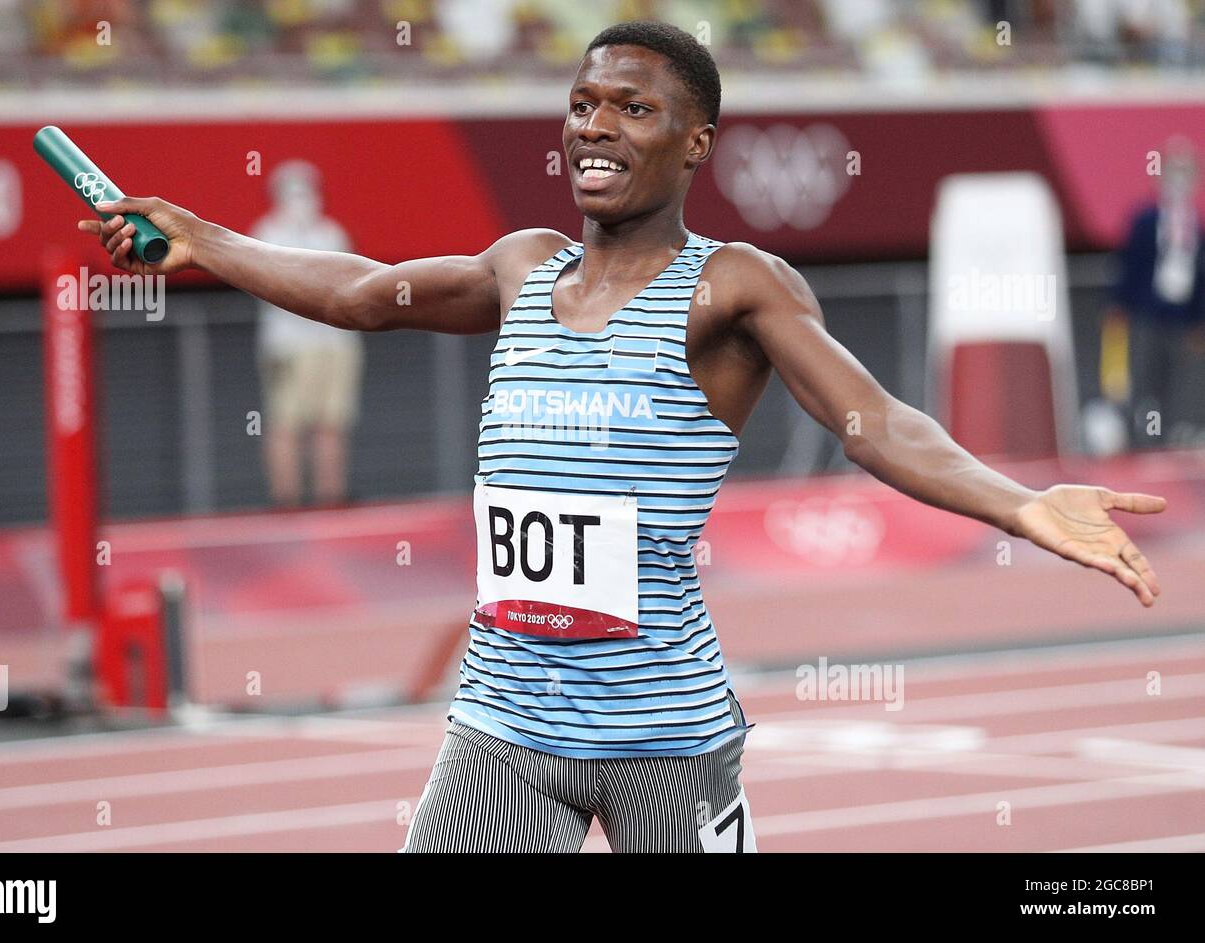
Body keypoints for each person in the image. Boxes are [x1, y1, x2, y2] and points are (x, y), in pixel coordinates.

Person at [77, 21, 1166, 853]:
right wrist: (203, 238)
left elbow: (871, 420)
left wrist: (1016, 502)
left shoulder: (731, 287)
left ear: (695, 144)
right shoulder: (522, 267)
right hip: (501, 721)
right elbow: (365, 291)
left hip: (665, 739)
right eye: (582, 103)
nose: (593, 125)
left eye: (631, 110)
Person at [252, 160, 363, 506]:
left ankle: (330, 498)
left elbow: (351, 286)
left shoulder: (331, 234)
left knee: (332, 422)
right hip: (288, 345)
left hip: (334, 342)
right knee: (286, 422)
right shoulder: (266, 235)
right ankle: (286, 501)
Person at [1104, 137, 1205, 449]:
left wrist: (1198, 320)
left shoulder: (1196, 226)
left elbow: (1200, 277)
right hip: (1147, 315)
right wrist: (1117, 304)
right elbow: (1129, 265)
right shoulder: (1145, 220)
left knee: (1181, 382)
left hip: (1181, 318)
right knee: (1145, 381)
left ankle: (1175, 439)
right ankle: (1145, 441)